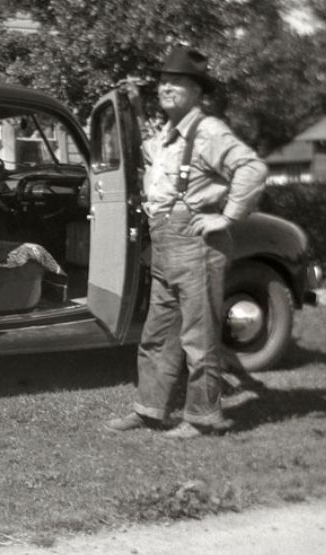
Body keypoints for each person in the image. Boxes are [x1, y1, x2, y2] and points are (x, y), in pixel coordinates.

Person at [105, 45, 268, 439]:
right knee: (157, 335)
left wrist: (227, 217)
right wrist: (130, 105)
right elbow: (155, 166)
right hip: (164, 241)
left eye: (177, 83)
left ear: (198, 92)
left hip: (195, 244)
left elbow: (252, 168)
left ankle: (202, 417)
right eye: (163, 82)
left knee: (200, 337)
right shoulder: (165, 134)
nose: (166, 88)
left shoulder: (209, 131)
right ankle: (149, 410)